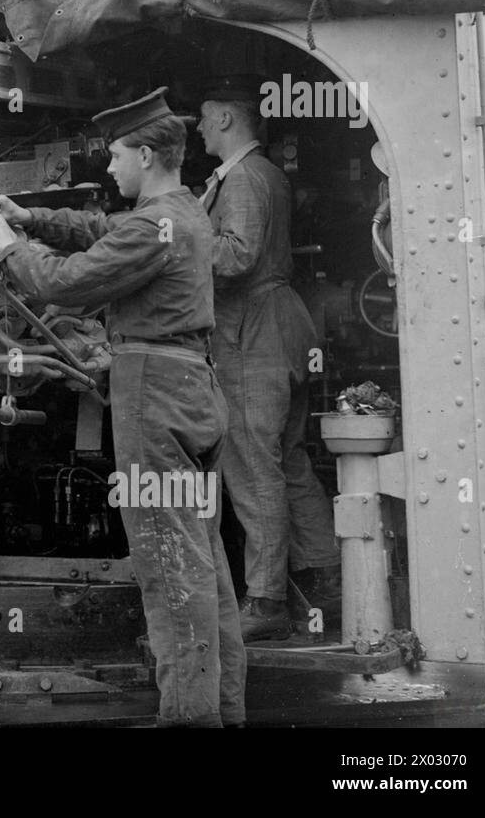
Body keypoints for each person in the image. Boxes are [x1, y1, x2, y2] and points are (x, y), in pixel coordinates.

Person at [0, 88, 247, 728]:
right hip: (188, 388)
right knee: (202, 564)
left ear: (148, 155)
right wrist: (31, 219)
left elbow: (62, 284)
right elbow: (106, 232)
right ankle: (222, 711)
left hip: (154, 393)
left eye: (117, 156)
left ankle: (188, 719)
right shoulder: (179, 212)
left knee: (167, 563)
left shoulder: (161, 225)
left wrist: (6, 246)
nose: (109, 169)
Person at [196, 78, 340, 639]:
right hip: (283, 328)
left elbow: (235, 257)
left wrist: (175, 240)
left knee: (253, 465)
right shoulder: (265, 175)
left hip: (253, 334)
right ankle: (325, 571)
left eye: (206, 116)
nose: (200, 126)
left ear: (230, 119)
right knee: (288, 458)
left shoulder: (246, 177)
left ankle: (265, 600)